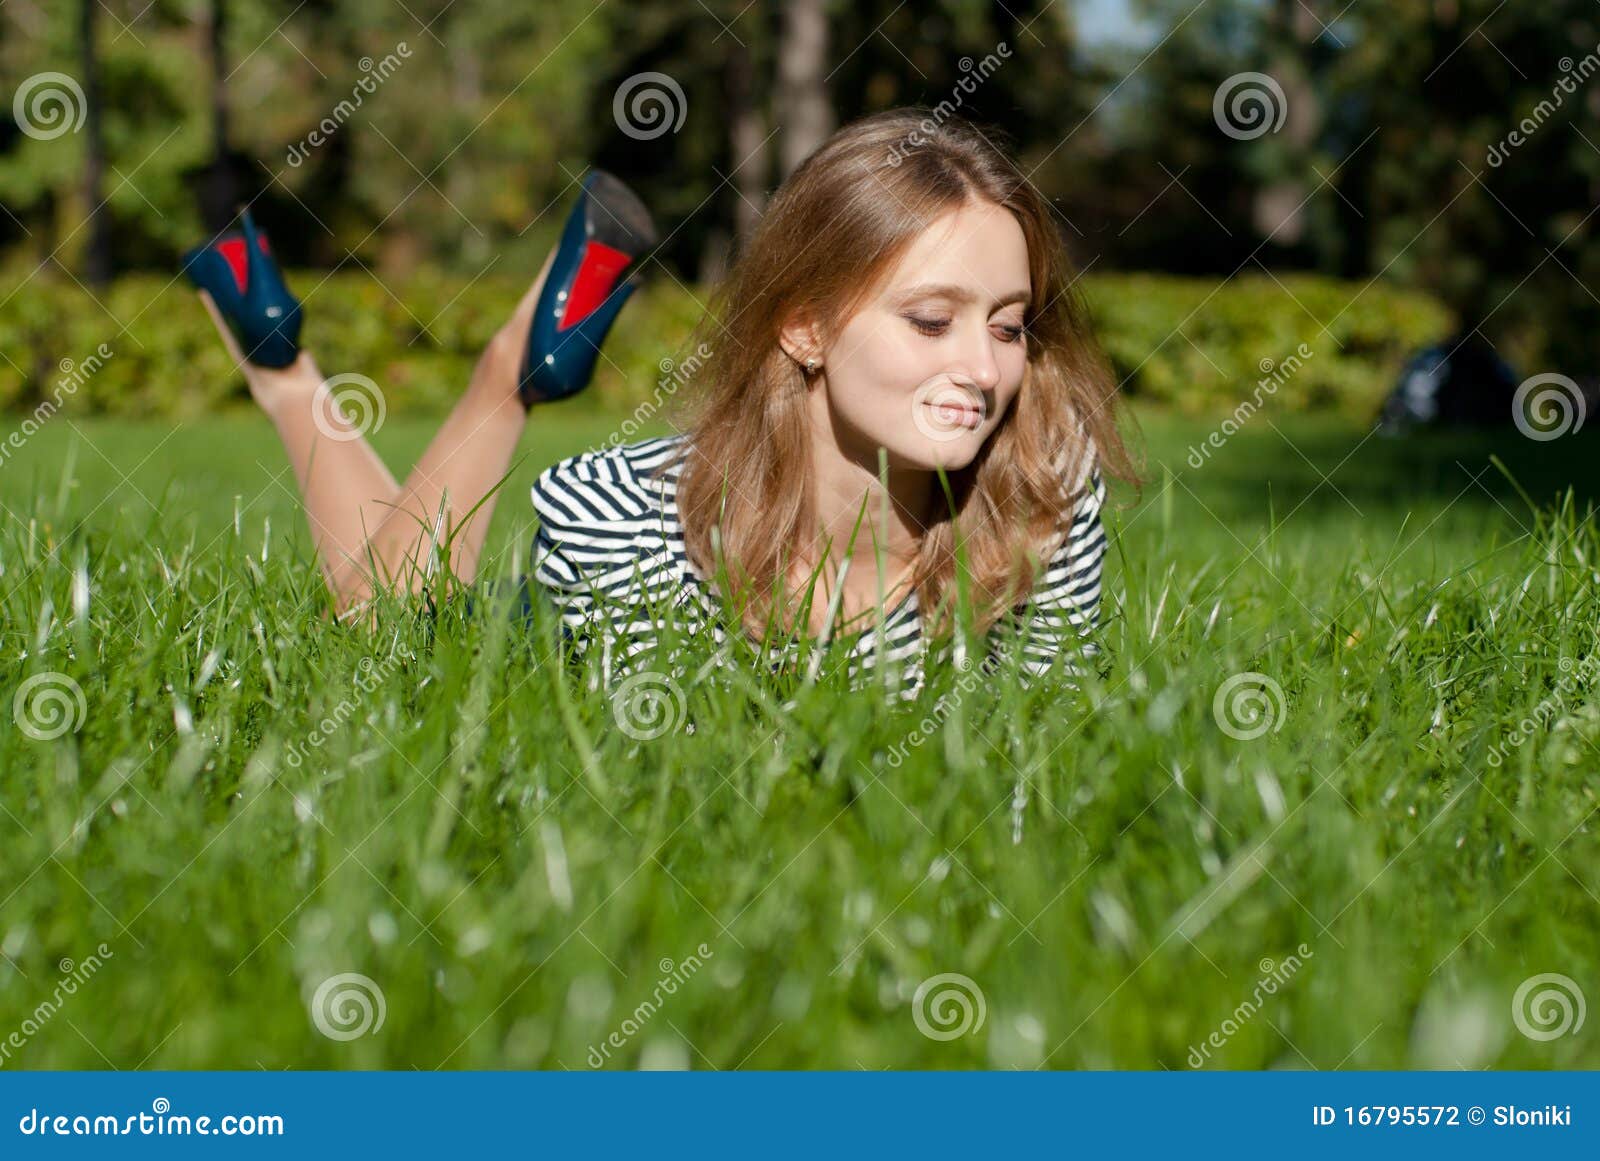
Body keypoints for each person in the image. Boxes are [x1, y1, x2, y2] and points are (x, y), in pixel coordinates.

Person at [185, 108, 1136, 697]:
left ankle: (280, 359)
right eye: (931, 320)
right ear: (804, 327)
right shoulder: (626, 521)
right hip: (536, 629)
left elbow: (1044, 734)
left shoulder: (1047, 491)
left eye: (1008, 326)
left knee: (372, 580)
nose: (983, 368)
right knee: (379, 623)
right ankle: (504, 372)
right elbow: (676, 760)